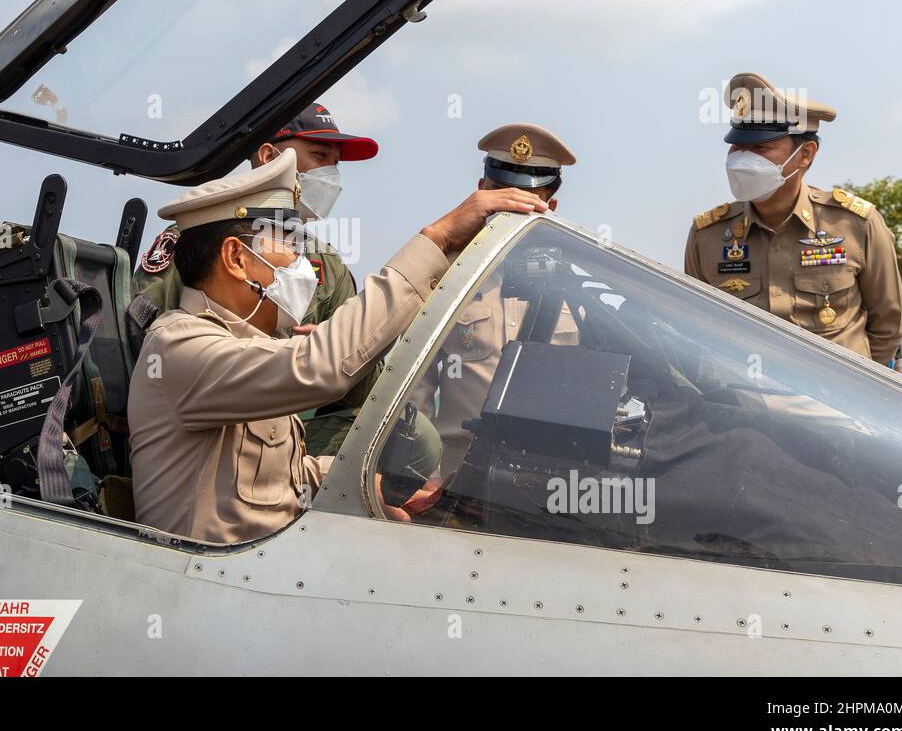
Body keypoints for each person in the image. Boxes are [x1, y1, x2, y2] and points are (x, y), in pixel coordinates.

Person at [126, 147, 551, 543]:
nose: (300, 262)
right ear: (237, 259)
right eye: (288, 242)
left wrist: (364, 481)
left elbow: (276, 484)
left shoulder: (248, 345)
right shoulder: (178, 345)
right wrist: (438, 240)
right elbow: (321, 366)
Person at [132, 103, 382, 455]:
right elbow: (145, 350)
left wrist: (339, 352)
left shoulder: (328, 264)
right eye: (319, 155)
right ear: (268, 156)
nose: (330, 174)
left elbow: (359, 379)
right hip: (207, 424)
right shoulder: (200, 237)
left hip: (290, 424)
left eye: (335, 163)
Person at [684, 72, 902, 369]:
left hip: (832, 411)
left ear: (805, 155)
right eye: (737, 146)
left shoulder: (857, 225)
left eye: (759, 148)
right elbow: (693, 327)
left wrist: (850, 396)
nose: (741, 158)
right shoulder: (707, 235)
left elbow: (886, 328)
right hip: (739, 408)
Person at [408, 123, 579, 482]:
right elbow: (414, 388)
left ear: (550, 206)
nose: (509, 206)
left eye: (525, 199)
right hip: (456, 475)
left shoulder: (578, 286)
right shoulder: (444, 276)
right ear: (480, 192)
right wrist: (417, 478)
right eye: (500, 194)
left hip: (555, 478)